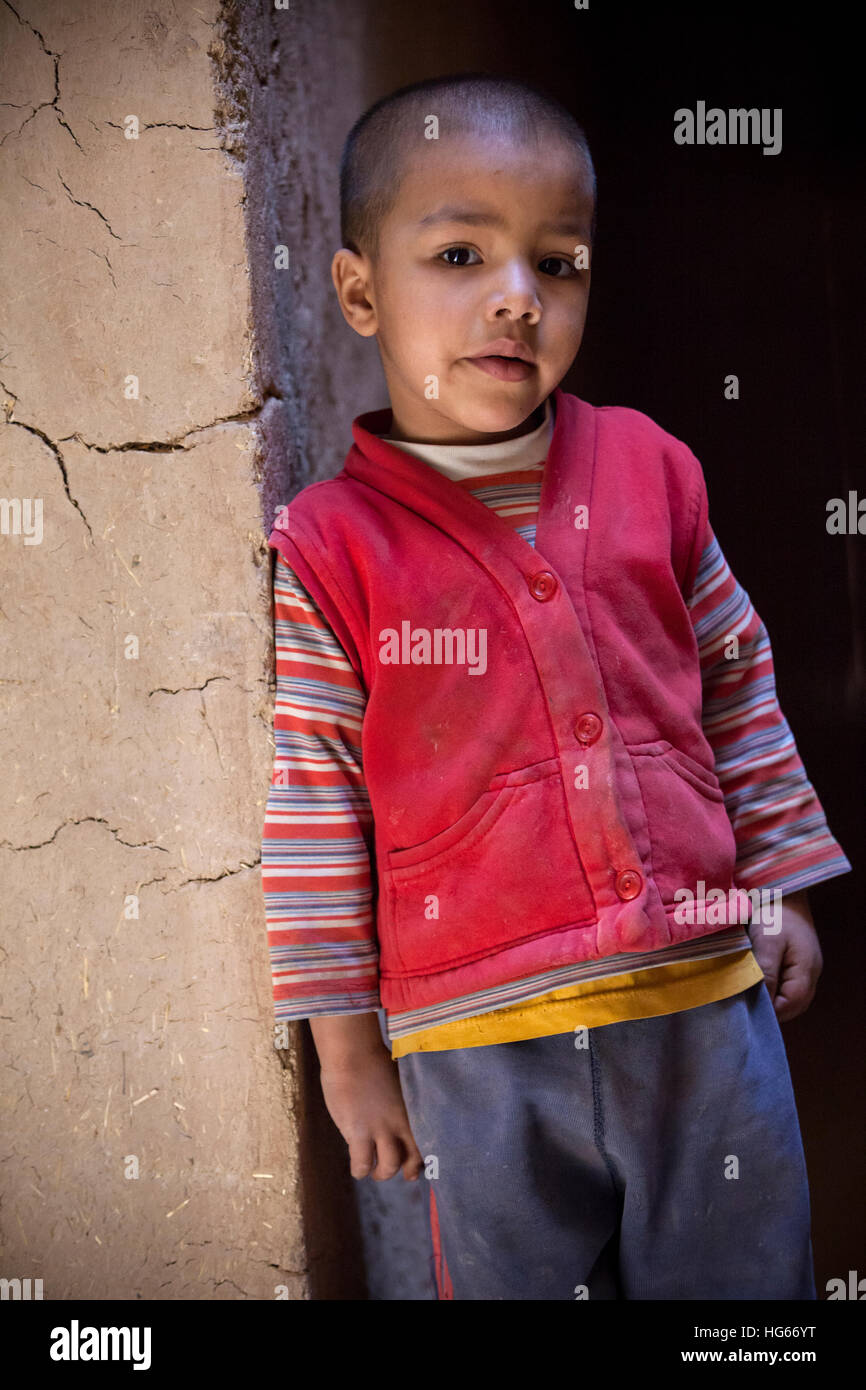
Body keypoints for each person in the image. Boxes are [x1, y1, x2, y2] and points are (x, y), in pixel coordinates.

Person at [261, 73, 851, 1300]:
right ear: (360, 290)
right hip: (477, 1047)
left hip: (698, 999)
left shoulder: (649, 469)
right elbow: (316, 800)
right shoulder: (331, 548)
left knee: (744, 1292)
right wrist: (346, 1052)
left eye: (559, 262)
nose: (517, 298)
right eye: (462, 252)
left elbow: (735, 686)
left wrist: (782, 885)